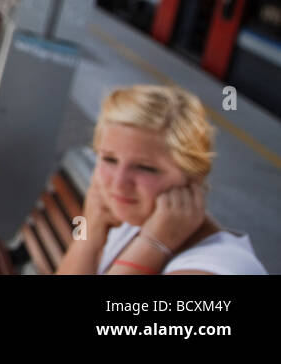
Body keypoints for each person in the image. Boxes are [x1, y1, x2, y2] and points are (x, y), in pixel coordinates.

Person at [58, 84, 266, 274]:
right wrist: (90, 234)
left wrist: (153, 245)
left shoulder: (224, 266)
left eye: (146, 168)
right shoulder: (132, 221)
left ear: (194, 176)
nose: (119, 183)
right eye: (109, 159)